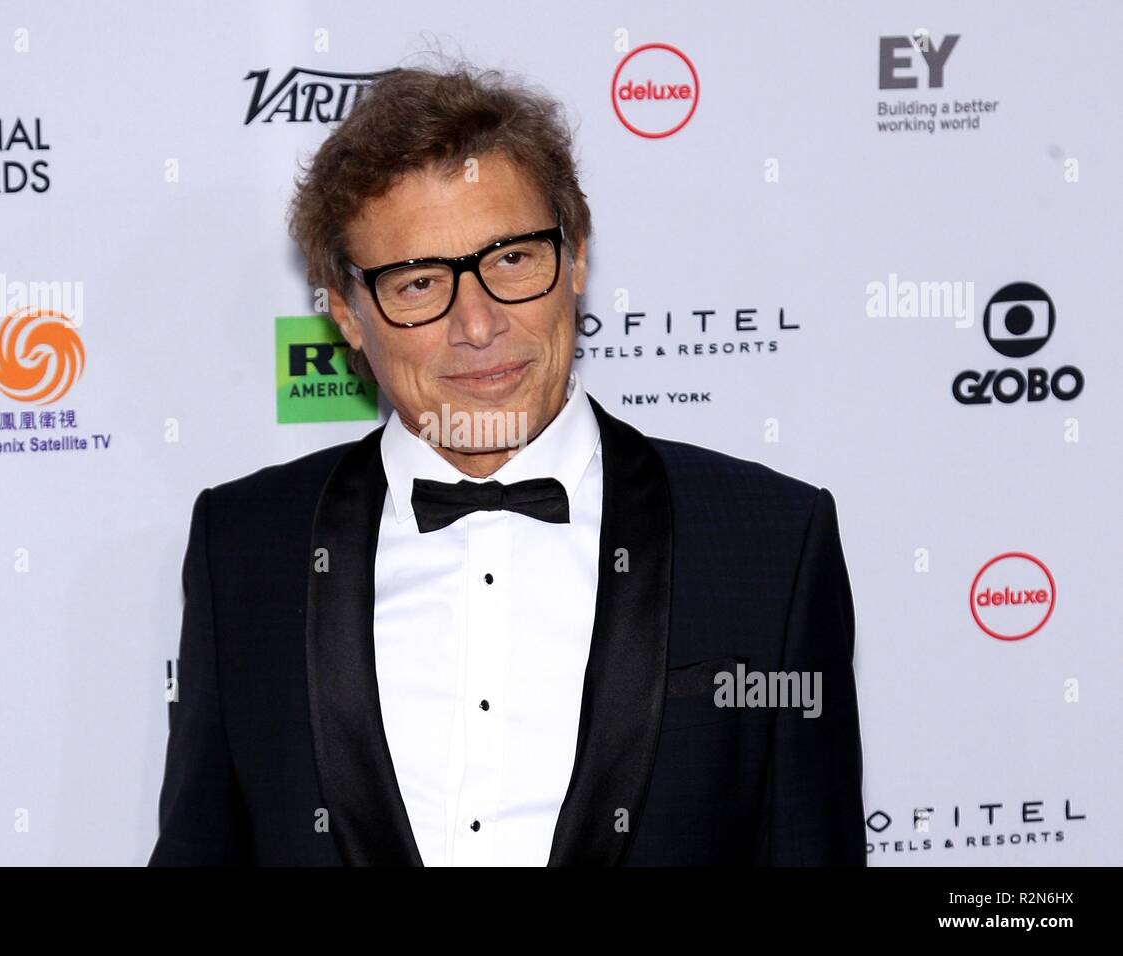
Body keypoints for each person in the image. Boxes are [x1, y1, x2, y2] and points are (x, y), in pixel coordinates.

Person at [148, 62, 865, 866]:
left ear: (577, 257)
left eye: (514, 260)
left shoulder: (770, 543)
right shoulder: (246, 545)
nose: (479, 324)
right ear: (346, 313)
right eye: (419, 283)